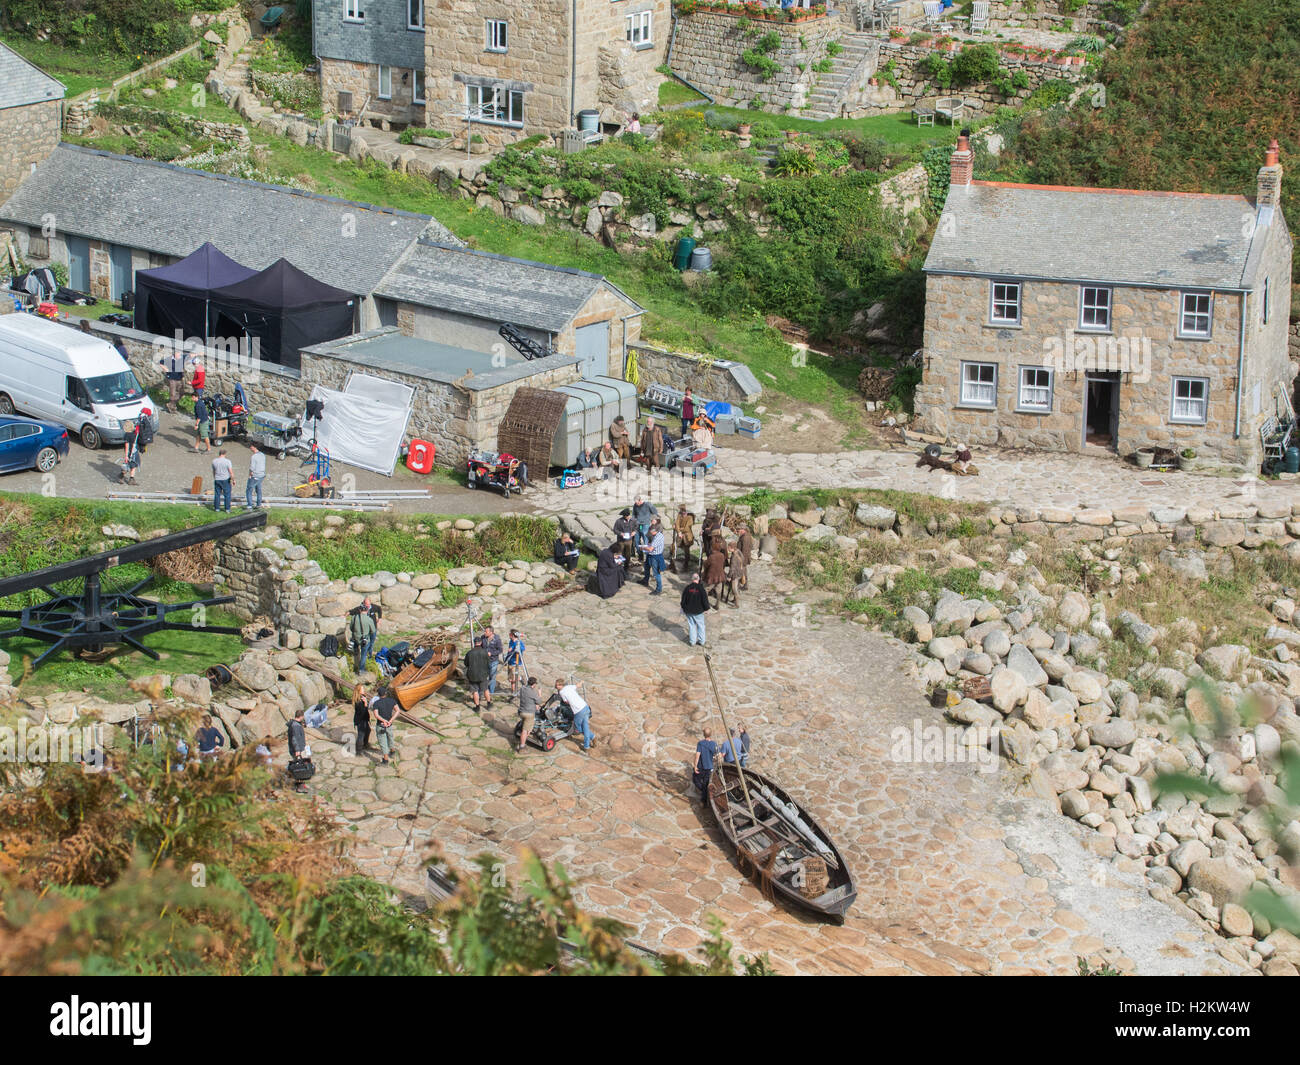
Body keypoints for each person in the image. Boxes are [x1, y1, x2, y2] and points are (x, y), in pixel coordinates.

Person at [555, 679, 593, 752]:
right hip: (585, 706)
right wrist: (582, 681)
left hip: (578, 710)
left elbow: (566, 702)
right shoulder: (569, 687)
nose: (556, 686)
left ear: (561, 685)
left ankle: (592, 737)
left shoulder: (562, 692)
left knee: (578, 728)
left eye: (557, 685)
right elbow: (578, 685)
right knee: (585, 726)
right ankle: (586, 746)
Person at [348, 596, 381, 673]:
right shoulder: (369, 620)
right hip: (365, 639)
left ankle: (353, 665)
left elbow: (351, 627)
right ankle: (361, 670)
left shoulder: (354, 617)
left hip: (356, 638)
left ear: (360, 610)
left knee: (355, 652)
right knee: (363, 655)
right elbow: (373, 630)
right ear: (366, 610)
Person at [680, 572, 709, 647]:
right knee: (701, 626)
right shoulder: (701, 588)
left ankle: (692, 642)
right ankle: (702, 641)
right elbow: (705, 600)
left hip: (689, 611)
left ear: (692, 579)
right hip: (698, 611)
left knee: (692, 625)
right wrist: (706, 608)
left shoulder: (687, 588)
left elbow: (683, 600)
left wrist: (683, 607)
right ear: (698, 579)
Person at [463, 636, 491, 711]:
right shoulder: (485, 652)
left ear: (474, 643)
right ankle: (488, 704)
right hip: (483, 674)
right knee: (485, 689)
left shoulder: (469, 653)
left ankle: (477, 707)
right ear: (481, 643)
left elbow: (466, 664)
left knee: (475, 691)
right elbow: (489, 663)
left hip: (472, 675)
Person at [372, 688, 399, 765]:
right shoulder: (392, 701)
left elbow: (376, 715)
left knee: (383, 742)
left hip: (381, 725)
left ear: (378, 694)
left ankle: (385, 760)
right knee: (390, 737)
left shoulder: (376, 703)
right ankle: (393, 752)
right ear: (386, 693)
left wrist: (383, 721)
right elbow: (397, 710)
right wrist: (390, 720)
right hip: (389, 725)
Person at [692, 727, 719, 804]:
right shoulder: (714, 744)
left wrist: (695, 766)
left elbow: (697, 756)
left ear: (704, 734)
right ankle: (704, 794)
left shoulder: (700, 743)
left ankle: (704, 793)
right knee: (705, 783)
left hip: (701, 767)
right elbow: (718, 755)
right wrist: (714, 759)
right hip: (710, 767)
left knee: (695, 779)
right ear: (711, 734)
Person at [640, 517, 665, 594]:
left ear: (655, 531)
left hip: (655, 557)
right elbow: (652, 545)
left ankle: (659, 589)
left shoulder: (658, 537)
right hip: (650, 555)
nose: (650, 532)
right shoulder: (656, 535)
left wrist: (643, 548)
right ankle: (645, 581)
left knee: (656, 573)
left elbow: (650, 549)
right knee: (646, 567)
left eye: (651, 531)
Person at [287, 707, 309, 791]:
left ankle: (300, 784)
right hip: (298, 749)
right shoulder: (295, 726)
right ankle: (299, 786)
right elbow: (294, 739)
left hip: (298, 748)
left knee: (299, 766)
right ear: (301, 716)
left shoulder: (294, 724)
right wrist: (297, 750)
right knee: (299, 768)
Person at [516, 675, 540, 753]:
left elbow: (523, 685)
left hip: (521, 711)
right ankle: (522, 746)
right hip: (529, 714)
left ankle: (522, 738)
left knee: (525, 725)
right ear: (534, 684)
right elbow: (538, 701)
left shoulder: (523, 688)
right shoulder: (533, 692)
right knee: (526, 730)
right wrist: (539, 693)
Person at [160, 346, 186, 412]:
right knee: (173, 394)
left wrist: (198, 354)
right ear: (175, 354)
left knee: (182, 393)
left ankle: (170, 404)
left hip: (179, 379)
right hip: (172, 379)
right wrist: (165, 369)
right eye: (179, 354)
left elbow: (190, 356)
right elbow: (161, 363)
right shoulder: (169, 359)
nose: (180, 355)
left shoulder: (182, 358)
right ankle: (172, 407)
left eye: (180, 354)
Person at [703, 539, 727, 610]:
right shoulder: (722, 555)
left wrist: (704, 561)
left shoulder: (712, 557)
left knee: (706, 590)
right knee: (718, 590)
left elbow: (706, 565)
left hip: (712, 576)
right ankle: (717, 605)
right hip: (720, 575)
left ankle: (706, 604)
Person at [482, 624, 504, 697]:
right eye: (485, 631)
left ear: (491, 632)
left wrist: (491, 653)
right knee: (484, 676)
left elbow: (500, 650)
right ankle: (485, 690)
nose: (484, 632)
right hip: (484, 660)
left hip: (493, 661)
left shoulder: (497, 639)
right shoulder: (483, 637)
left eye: (486, 631)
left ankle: (491, 692)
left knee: (492, 676)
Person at [613, 508, 636, 575]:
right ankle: (618, 567)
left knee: (628, 555)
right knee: (619, 554)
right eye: (625, 516)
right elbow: (615, 530)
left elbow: (637, 527)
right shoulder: (618, 521)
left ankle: (626, 568)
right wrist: (621, 534)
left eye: (628, 516)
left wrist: (635, 532)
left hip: (629, 541)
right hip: (621, 541)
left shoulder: (633, 520)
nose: (627, 517)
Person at [673, 504, 695, 572]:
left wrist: (679, 530)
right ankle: (674, 562)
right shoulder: (679, 515)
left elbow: (687, 528)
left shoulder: (690, 517)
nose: (683, 512)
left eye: (684, 511)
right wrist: (679, 532)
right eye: (682, 511)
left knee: (686, 550)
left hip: (687, 536)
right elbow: (676, 524)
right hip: (680, 535)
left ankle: (686, 564)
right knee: (676, 546)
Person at [723, 540, 746, 608]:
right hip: (740, 572)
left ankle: (736, 604)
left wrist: (729, 576)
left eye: (728, 547)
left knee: (734, 589)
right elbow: (743, 559)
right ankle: (734, 600)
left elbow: (732, 568)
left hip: (735, 574)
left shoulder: (734, 557)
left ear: (731, 547)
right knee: (737, 587)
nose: (728, 549)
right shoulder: (738, 551)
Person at [505, 629, 526, 697]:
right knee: (511, 679)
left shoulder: (518, 642)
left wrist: (514, 647)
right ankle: (513, 692)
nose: (508, 635)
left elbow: (522, 649)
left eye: (510, 634)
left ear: (513, 635)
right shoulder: (511, 641)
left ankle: (520, 679)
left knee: (514, 678)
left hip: (516, 662)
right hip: (510, 661)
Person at [211, 448, 233, 512]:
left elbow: (214, 471)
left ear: (219, 453)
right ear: (225, 454)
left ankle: (217, 508)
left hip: (217, 479)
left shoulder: (214, 461)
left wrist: (215, 477)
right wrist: (233, 480)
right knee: (227, 494)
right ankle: (227, 509)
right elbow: (231, 472)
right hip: (226, 479)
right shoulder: (228, 461)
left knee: (217, 494)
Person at [352, 682, 372, 752]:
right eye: (362, 689)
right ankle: (358, 750)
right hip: (360, 720)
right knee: (361, 735)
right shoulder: (358, 702)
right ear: (359, 691)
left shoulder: (363, 697)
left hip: (364, 719)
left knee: (368, 730)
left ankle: (365, 744)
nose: (364, 690)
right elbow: (363, 712)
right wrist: (366, 704)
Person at [246, 443, 266, 510]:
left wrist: (249, 476)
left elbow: (252, 468)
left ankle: (249, 505)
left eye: (251, 446)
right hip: (262, 475)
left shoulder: (254, 456)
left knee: (249, 490)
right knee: (258, 489)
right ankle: (259, 504)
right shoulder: (263, 455)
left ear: (255, 447)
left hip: (255, 475)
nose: (250, 448)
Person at [736, 523, 755, 588]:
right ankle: (743, 584)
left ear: (743, 529)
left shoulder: (745, 537)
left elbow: (745, 550)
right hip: (742, 557)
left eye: (739, 529)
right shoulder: (744, 536)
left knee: (743, 571)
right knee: (742, 571)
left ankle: (745, 585)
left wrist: (742, 560)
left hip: (743, 557)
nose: (737, 531)